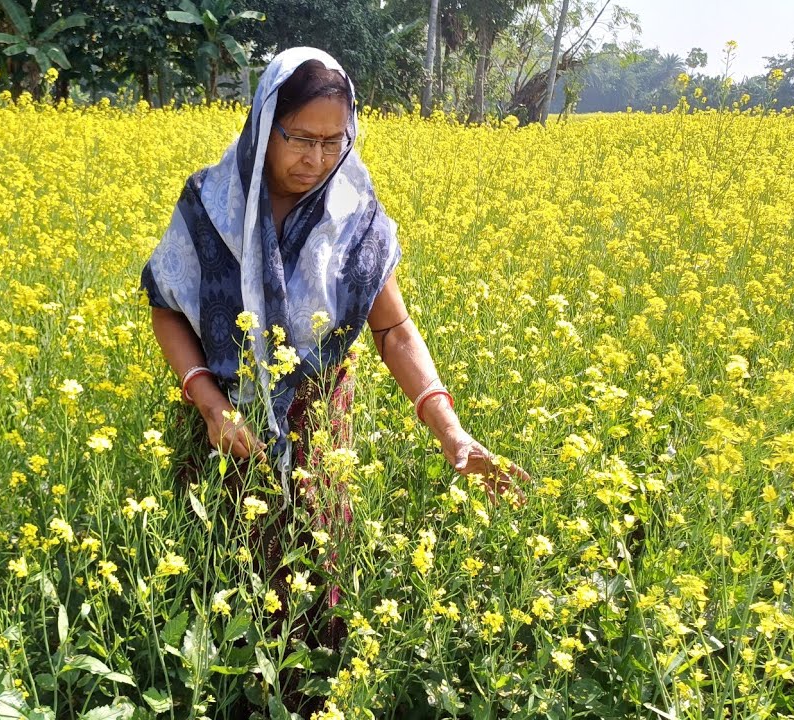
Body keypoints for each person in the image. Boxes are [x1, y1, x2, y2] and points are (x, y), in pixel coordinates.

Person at [140, 47, 530, 650]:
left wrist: (451, 431)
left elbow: (394, 331)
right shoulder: (209, 205)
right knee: (212, 579)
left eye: (333, 141)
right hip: (219, 422)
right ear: (264, 124)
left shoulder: (354, 216)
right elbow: (167, 304)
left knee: (313, 581)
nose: (317, 159)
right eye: (300, 139)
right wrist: (212, 406)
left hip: (315, 430)